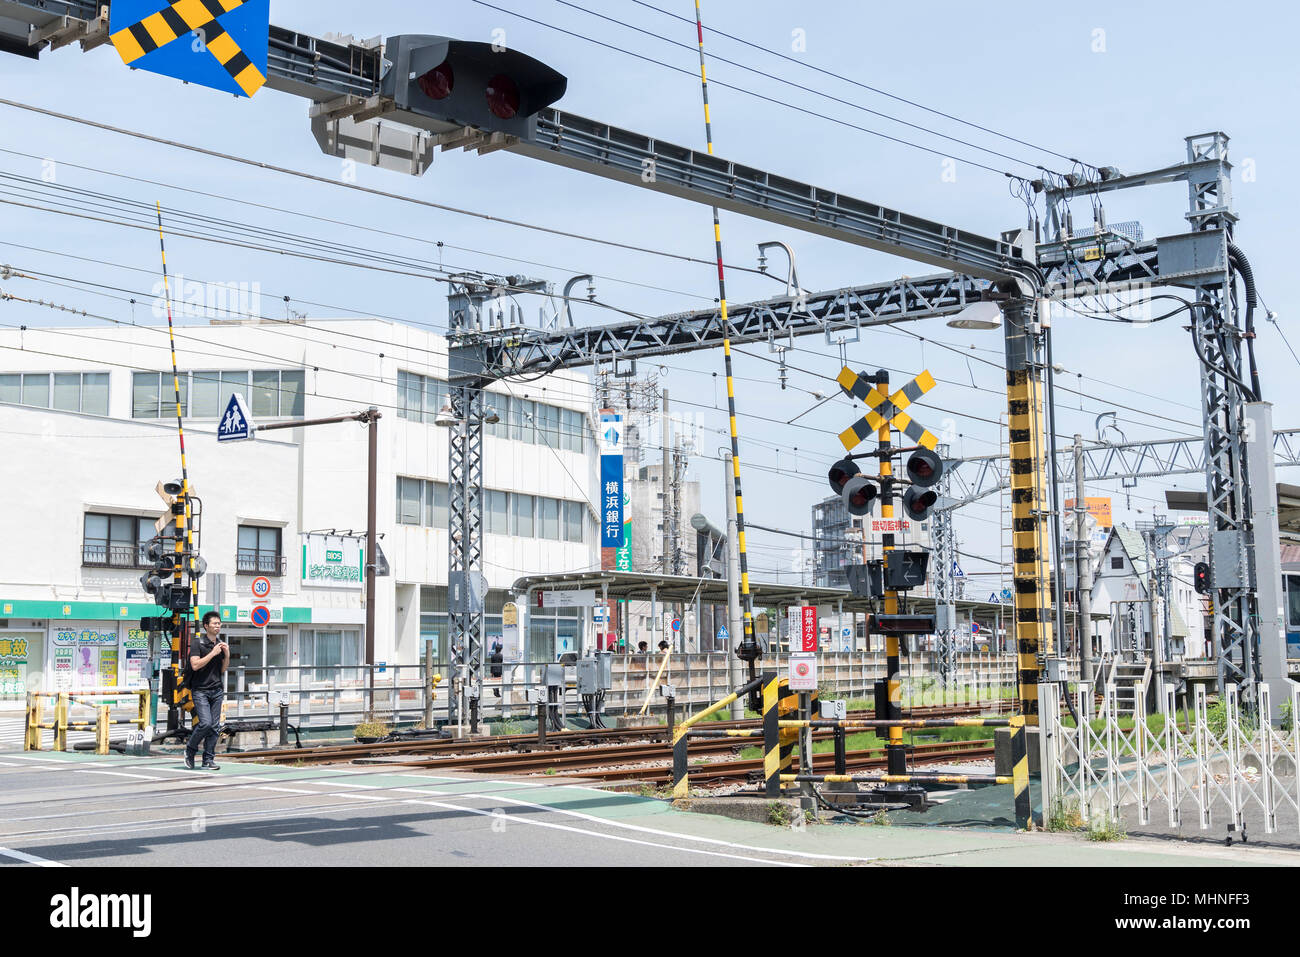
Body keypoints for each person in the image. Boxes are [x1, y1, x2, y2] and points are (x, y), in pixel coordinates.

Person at [185, 611, 229, 770]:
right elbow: (195, 665)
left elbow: (222, 670)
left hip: (216, 690)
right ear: (206, 626)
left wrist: (227, 654)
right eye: (214, 623)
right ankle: (190, 750)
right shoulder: (198, 643)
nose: (218, 626)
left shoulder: (220, 643)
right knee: (205, 723)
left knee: (215, 726)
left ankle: (208, 760)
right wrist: (213, 653)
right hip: (200, 690)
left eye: (219, 623)